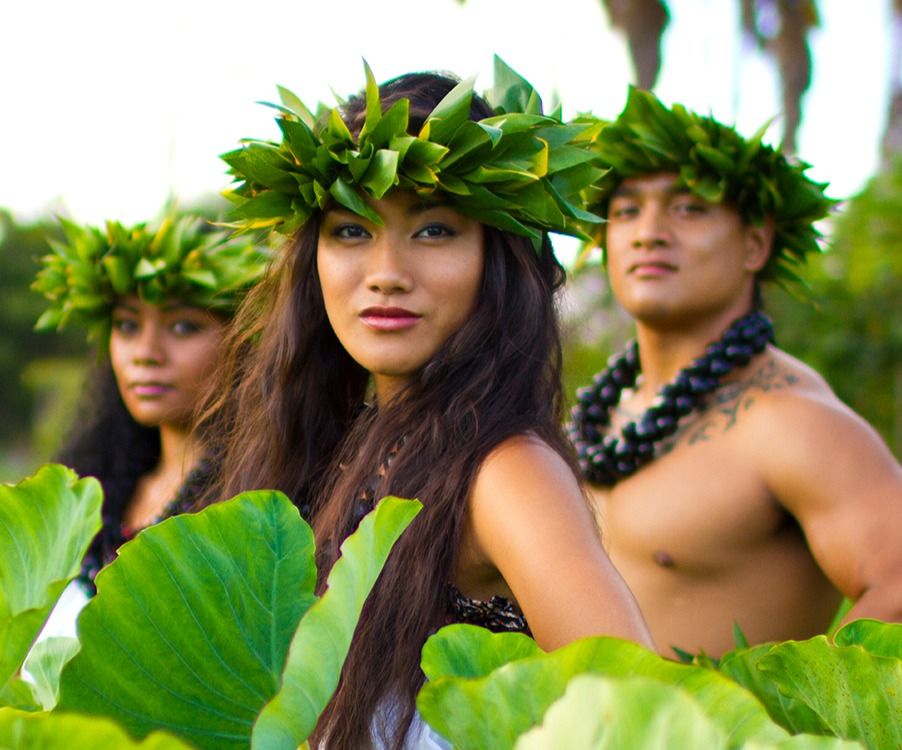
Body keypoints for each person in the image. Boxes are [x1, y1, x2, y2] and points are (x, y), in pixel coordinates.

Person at [202, 61, 654, 749]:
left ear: (497, 259)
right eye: (352, 230)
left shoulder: (507, 474)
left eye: (435, 230)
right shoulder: (354, 443)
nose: (386, 274)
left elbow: (642, 721)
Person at [567, 87, 902, 657]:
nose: (649, 232)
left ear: (754, 244)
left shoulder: (789, 419)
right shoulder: (602, 413)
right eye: (626, 211)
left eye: (689, 208)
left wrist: (789, 706)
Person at [32, 212, 269, 594]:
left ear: (245, 339)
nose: (145, 353)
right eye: (128, 325)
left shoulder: (263, 495)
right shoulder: (97, 492)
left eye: (183, 326)